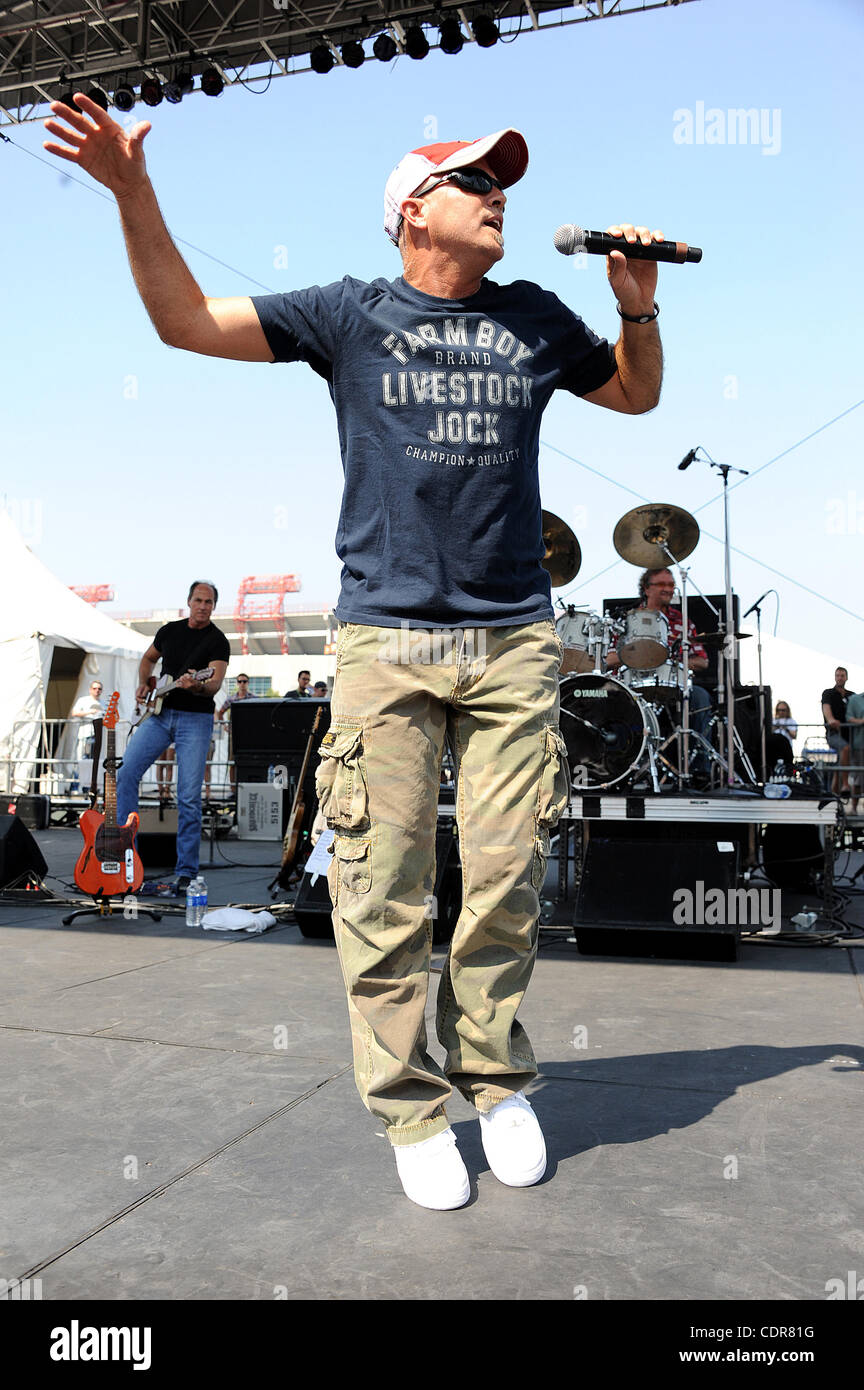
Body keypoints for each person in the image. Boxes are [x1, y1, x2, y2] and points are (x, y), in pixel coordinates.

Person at [43, 103, 664, 1208]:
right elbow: (182, 321)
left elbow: (634, 392)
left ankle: (494, 1075)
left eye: (500, 179)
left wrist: (639, 312)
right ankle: (410, 1102)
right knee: (382, 879)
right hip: (387, 638)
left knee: (510, 871)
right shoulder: (349, 313)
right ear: (412, 210)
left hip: (515, 635)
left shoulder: (533, 317)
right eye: (473, 179)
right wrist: (133, 192)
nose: (497, 192)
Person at [116, 582, 229, 893]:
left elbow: (215, 683)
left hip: (196, 719)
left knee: (189, 797)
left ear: (214, 606)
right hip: (159, 714)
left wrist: (198, 685)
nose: (203, 606)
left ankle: (186, 873)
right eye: (198, 600)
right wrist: (144, 683)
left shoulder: (218, 642)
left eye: (209, 602)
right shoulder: (169, 631)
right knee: (125, 773)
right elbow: (147, 659)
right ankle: (128, 861)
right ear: (189, 601)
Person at [606, 568, 712, 777]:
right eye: (661, 584)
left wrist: (669, 659)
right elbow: (608, 660)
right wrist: (639, 652)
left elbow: (703, 661)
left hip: (671, 683)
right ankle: (616, 767)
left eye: (671, 585)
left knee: (700, 696)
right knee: (608, 696)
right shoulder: (626, 620)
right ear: (646, 588)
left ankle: (700, 768)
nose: (668, 589)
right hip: (632, 684)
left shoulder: (683, 622)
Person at [822, 666, 854, 799]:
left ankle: (834, 796)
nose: (840, 678)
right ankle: (845, 784)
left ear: (846, 677)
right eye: (837, 675)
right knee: (845, 749)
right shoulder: (828, 693)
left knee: (839, 766)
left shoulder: (852, 695)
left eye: (842, 675)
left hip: (850, 735)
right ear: (835, 677)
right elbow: (826, 708)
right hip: (834, 734)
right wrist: (831, 720)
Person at [218, 674, 253, 789]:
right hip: (234, 735)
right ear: (237, 683)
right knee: (232, 761)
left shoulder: (253, 698)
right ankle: (233, 788)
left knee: (248, 760)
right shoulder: (231, 699)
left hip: (249, 735)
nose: (242, 684)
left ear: (248, 683)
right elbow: (220, 712)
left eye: (244, 681)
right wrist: (225, 726)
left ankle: (247, 786)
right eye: (240, 681)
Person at [68, 679, 105, 789]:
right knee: (81, 760)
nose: (97, 691)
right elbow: (74, 713)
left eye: (99, 689)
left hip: (97, 735)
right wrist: (90, 712)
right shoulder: (83, 700)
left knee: (93, 763)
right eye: (94, 688)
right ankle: (75, 786)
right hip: (85, 734)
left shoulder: (102, 703)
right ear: (90, 690)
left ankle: (88, 787)